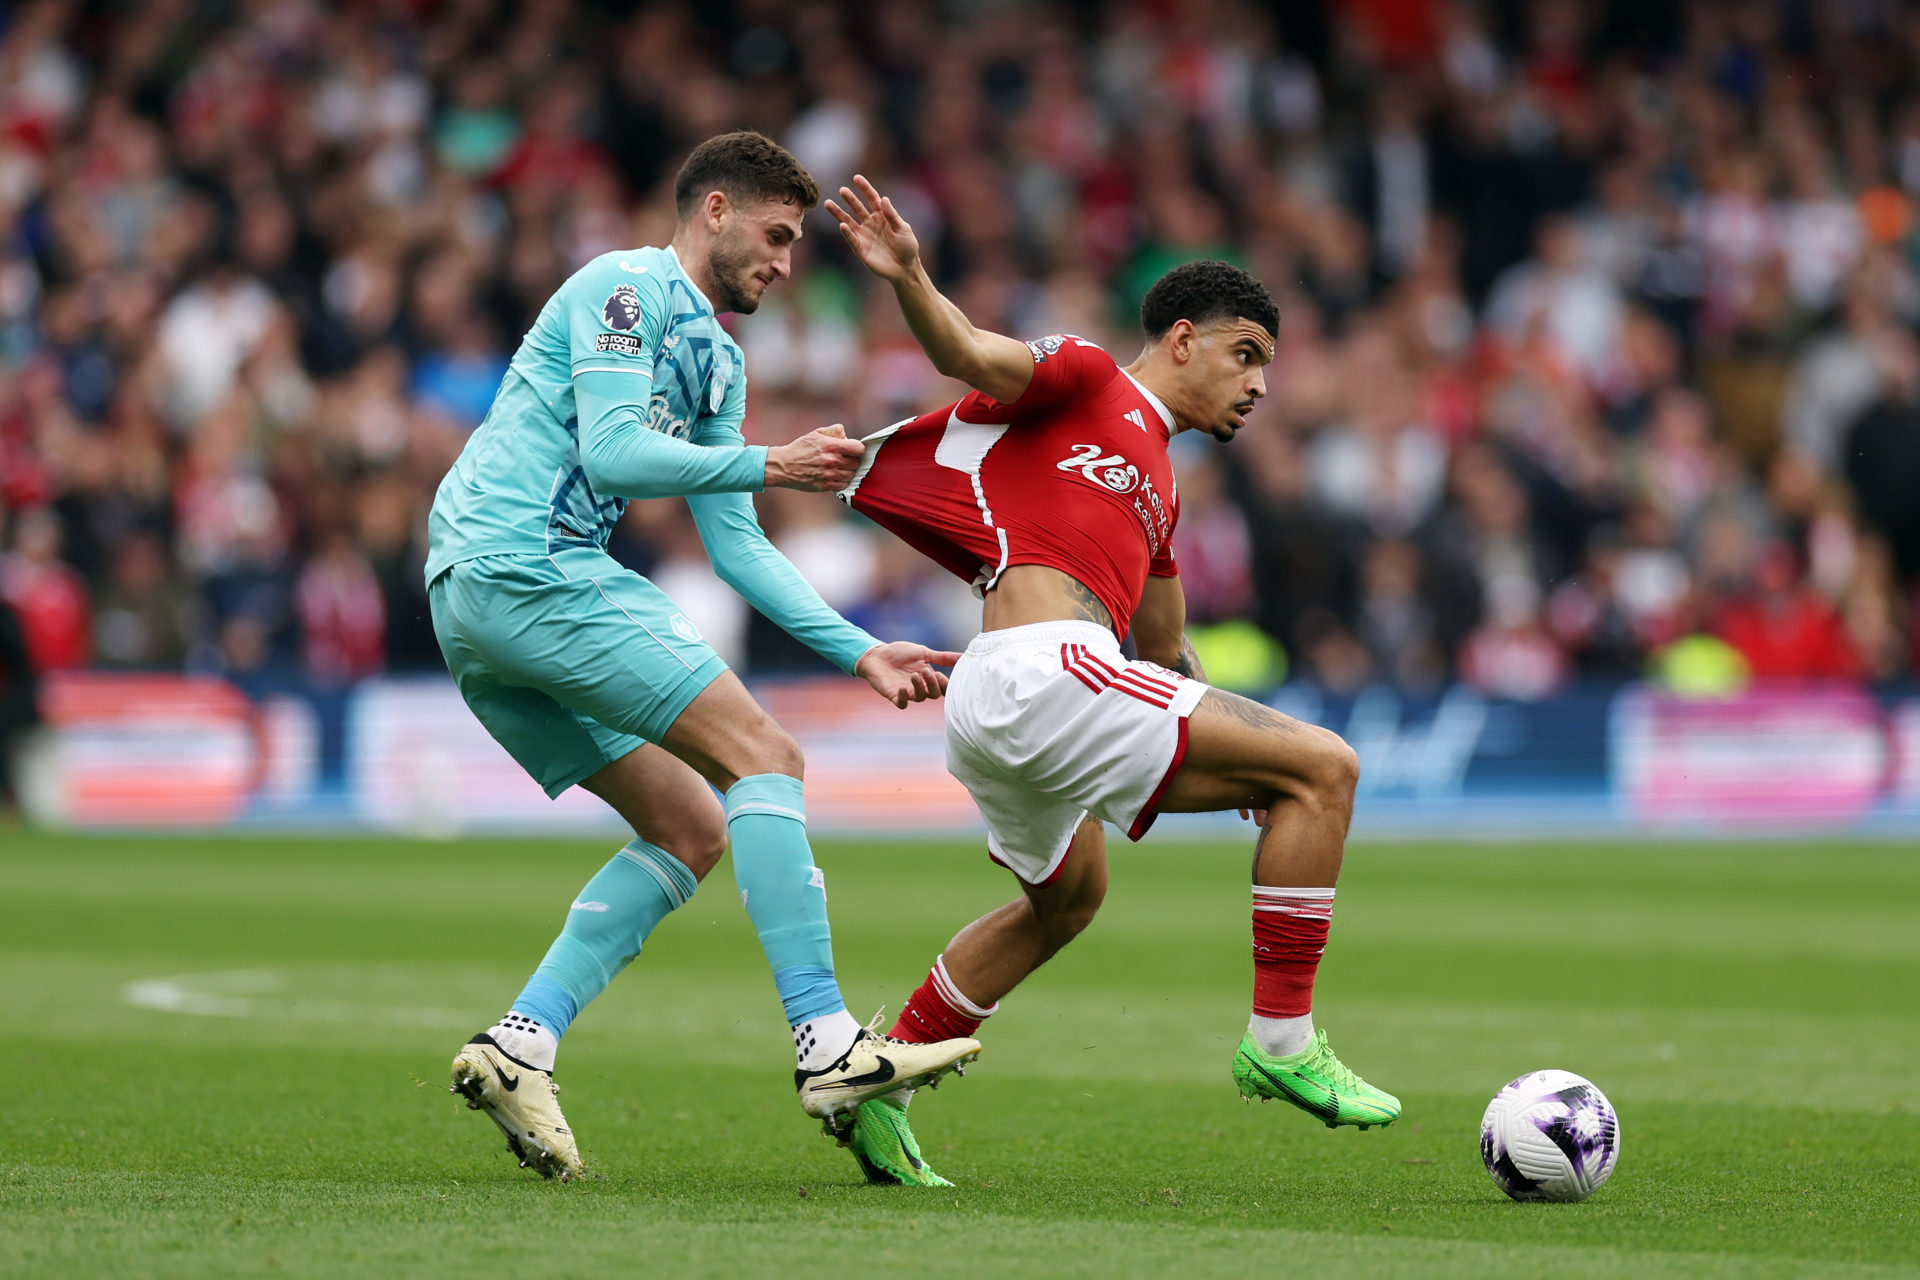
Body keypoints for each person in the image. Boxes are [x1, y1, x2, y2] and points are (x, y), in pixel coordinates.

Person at [821, 176, 1397, 1186]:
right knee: (1327, 769)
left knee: (1068, 898)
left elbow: (1167, 651)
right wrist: (909, 273)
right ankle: (1282, 1039)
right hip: (1042, 675)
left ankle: (881, 1083)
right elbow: (969, 352)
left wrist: (1238, 751)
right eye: (1245, 355)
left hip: (1018, 688)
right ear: (1182, 339)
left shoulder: (1160, 485)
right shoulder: (1089, 378)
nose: (1259, 384)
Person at [426, 136, 981, 1181]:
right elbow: (614, 453)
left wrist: (860, 651)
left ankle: (520, 1043)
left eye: (794, 246)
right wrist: (773, 458)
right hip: (524, 563)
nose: (783, 261)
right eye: (775, 236)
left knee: (688, 824)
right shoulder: (624, 288)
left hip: (478, 596)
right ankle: (826, 1040)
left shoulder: (720, 358)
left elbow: (735, 542)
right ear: (715, 209)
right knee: (766, 754)